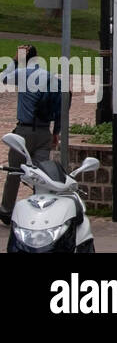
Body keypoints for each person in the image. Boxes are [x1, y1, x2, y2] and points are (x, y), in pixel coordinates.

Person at [0, 44, 63, 225]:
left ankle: (7, 210)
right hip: (44, 132)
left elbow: (3, 78)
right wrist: (55, 133)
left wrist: (14, 60)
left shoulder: (23, 74)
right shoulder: (50, 77)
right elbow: (59, 108)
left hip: (23, 132)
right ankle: (40, 209)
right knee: (40, 174)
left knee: (14, 171)